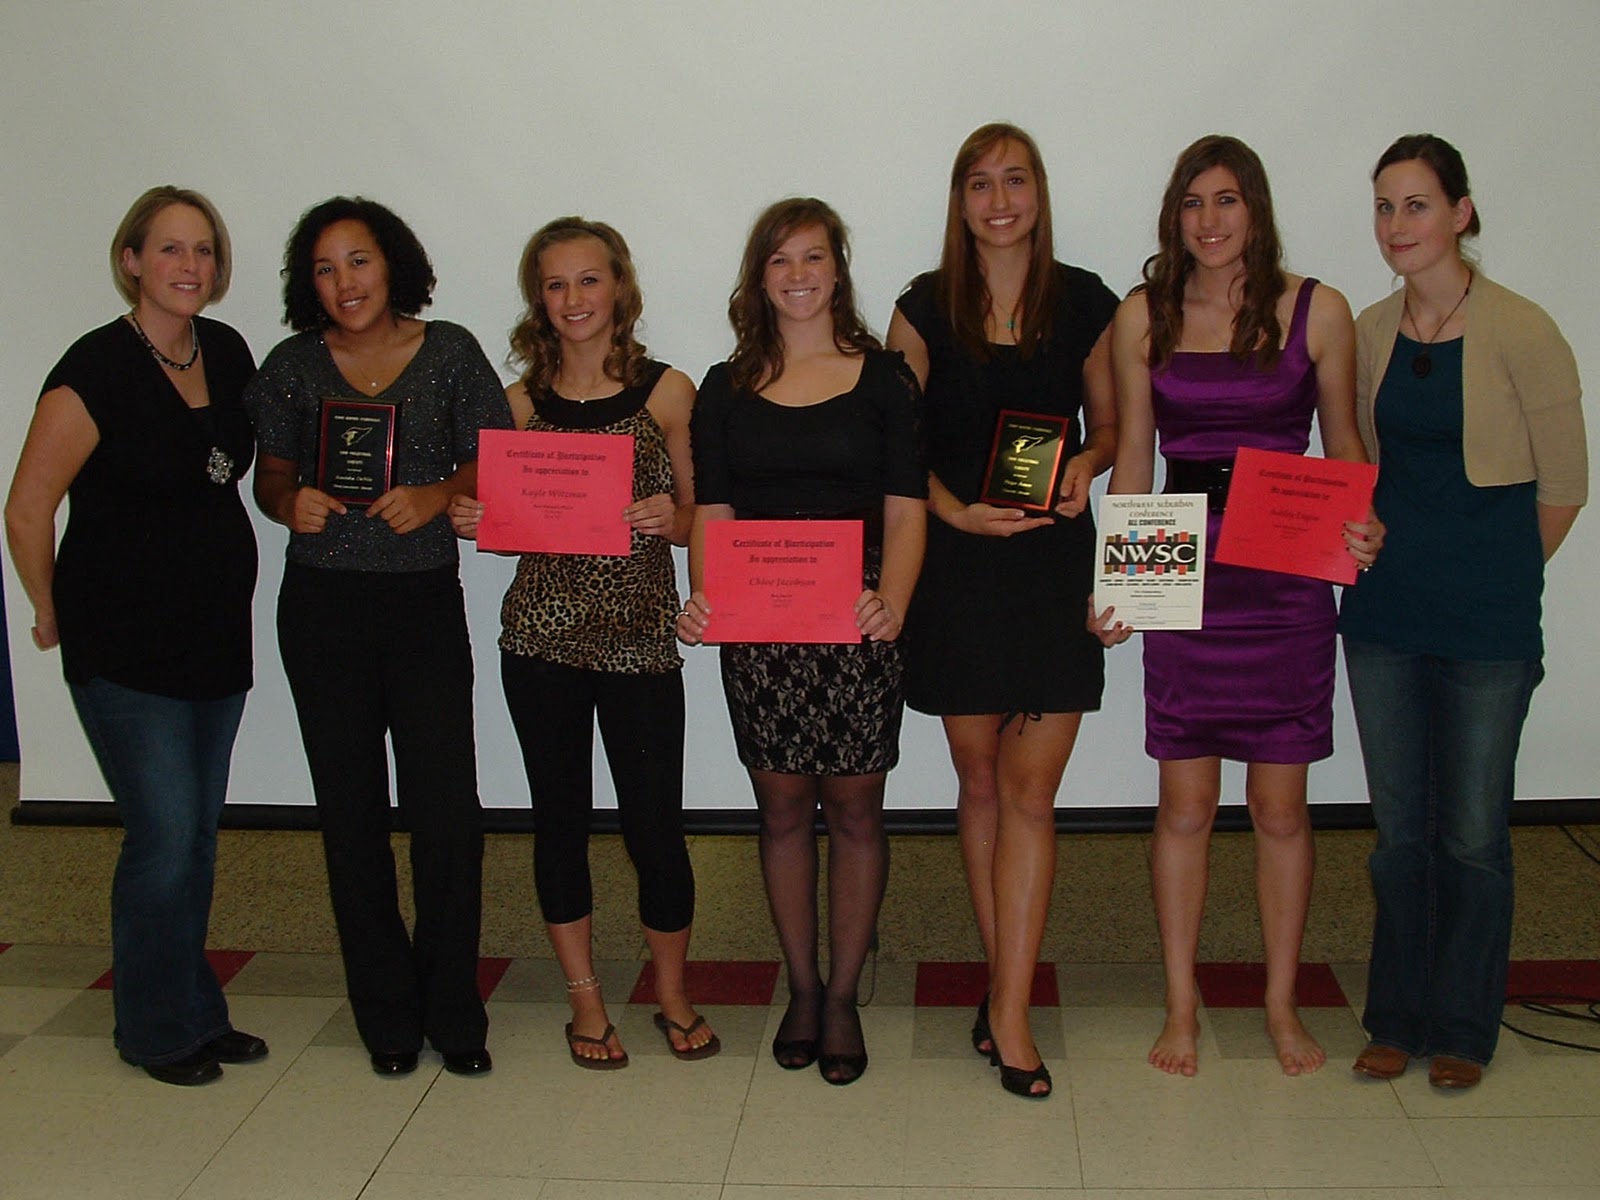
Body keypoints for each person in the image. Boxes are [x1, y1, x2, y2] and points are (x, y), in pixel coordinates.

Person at [1090, 135, 1381, 1078]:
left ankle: (1280, 1004)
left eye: (1226, 200)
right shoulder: (1143, 314)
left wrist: (1363, 522)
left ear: (1255, 208)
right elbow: (1136, 460)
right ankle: (1181, 1005)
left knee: (1281, 810)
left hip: (1286, 574)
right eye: (1192, 203)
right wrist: (1117, 580)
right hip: (1183, 568)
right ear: (1173, 216)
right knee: (1183, 806)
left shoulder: (1319, 309)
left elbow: (1344, 449)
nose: (1209, 220)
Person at [5, 186, 267, 1086]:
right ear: (131, 261)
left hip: (213, 639)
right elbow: (28, 507)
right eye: (169, 249)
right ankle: (154, 1030)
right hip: (123, 645)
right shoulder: (95, 369)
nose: (189, 266)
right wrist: (49, 607)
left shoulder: (226, 351)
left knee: (195, 838)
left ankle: (194, 1010)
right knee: (162, 839)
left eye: (204, 250)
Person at [245, 197, 512, 1078]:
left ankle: (453, 1006)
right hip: (322, 609)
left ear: (393, 263)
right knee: (350, 814)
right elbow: (271, 476)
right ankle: (386, 1011)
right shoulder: (291, 365)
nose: (344, 282)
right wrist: (289, 503)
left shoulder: (451, 351)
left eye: (358, 261)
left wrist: (438, 495)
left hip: (422, 604)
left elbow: (496, 457)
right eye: (324, 269)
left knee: (447, 813)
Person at [1340, 135, 1585, 1090]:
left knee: (1474, 836)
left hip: (1487, 624)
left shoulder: (1523, 328)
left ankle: (1464, 1028)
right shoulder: (1370, 331)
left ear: (1460, 213)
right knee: (1400, 834)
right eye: (1385, 207)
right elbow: (1360, 471)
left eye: (1416, 205)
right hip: (1384, 618)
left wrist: (1496, 574)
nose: (1397, 225)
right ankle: (1396, 1018)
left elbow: (1565, 487)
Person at [448, 218, 717, 1069]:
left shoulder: (669, 392)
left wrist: (673, 519)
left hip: (642, 643)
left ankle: (670, 993)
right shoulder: (516, 405)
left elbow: (705, 517)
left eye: (589, 280)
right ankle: (586, 1001)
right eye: (556, 284)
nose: (573, 299)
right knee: (558, 824)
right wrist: (473, 518)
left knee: (655, 829)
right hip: (540, 644)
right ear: (539, 298)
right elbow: (493, 517)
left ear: (619, 288)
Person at [886, 122, 1116, 1098]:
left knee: (1031, 792)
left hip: (1053, 565)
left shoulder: (1088, 301)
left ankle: (1011, 1009)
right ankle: (1002, 991)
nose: (998, 200)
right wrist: (954, 513)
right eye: (979, 184)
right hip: (958, 569)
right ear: (960, 201)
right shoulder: (920, 308)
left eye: (1015, 180)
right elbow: (895, 447)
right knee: (980, 785)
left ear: (1039, 192)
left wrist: (1087, 463)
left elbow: (1111, 425)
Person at [677, 197, 926, 1086]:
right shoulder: (724, 387)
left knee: (856, 810)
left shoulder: (886, 378)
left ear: (837, 269)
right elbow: (712, 512)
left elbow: (906, 509)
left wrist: (893, 604)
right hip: (763, 628)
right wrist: (703, 598)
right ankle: (805, 988)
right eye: (779, 260)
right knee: (781, 809)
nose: (797, 275)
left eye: (813, 257)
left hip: (857, 622)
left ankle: (846, 994)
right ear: (759, 276)